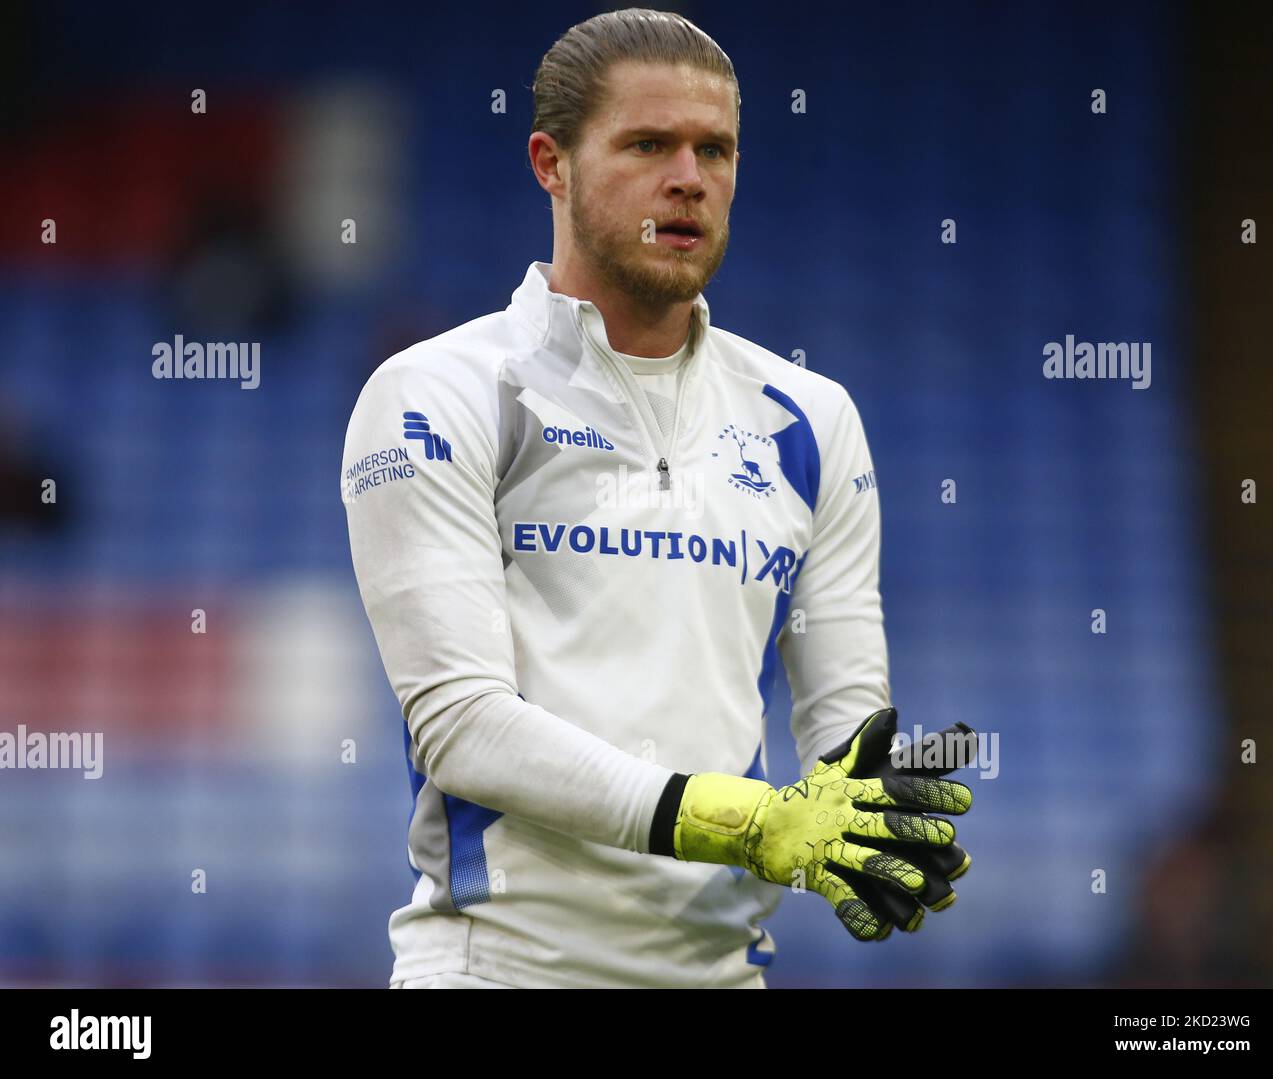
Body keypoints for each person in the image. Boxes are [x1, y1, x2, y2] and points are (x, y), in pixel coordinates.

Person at [342, 7, 972, 990]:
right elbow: (462, 726)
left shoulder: (811, 418)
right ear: (550, 164)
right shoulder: (439, 393)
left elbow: (846, 734)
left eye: (714, 149)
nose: (688, 178)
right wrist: (736, 819)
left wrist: (876, 809)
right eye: (648, 144)